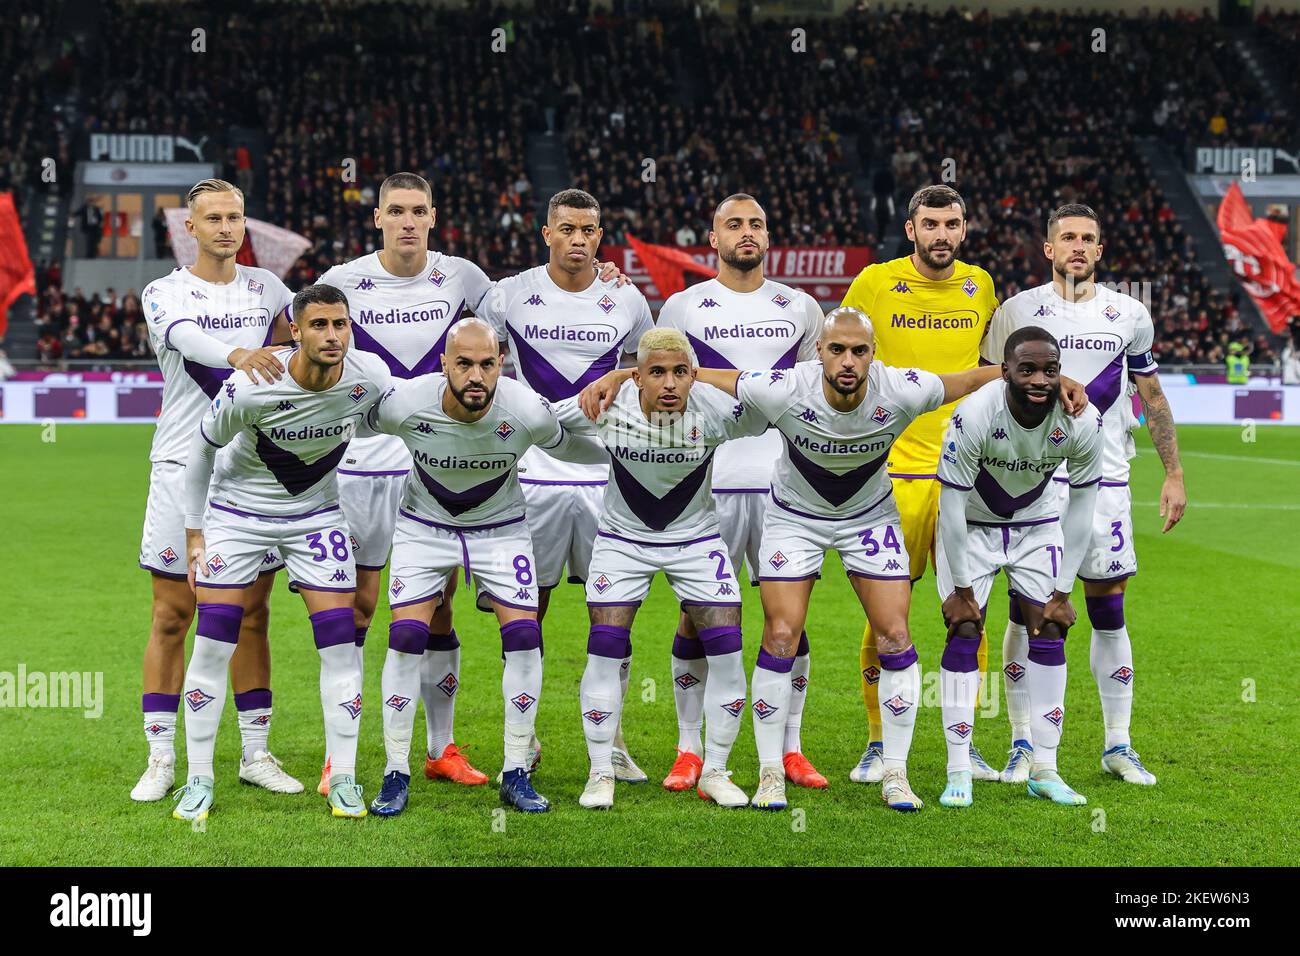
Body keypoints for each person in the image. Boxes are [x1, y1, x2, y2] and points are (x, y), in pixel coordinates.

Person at [582, 308, 1085, 811]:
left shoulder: (903, 389)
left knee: (896, 635)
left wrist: (1052, 378)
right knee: (781, 633)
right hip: (794, 518)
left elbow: (968, 379)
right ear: (819, 352)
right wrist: (625, 374)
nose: (848, 361)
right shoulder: (784, 387)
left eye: (859, 351)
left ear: (873, 355)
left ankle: (895, 772)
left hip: (869, 517)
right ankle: (770, 773)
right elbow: (702, 374)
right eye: (837, 349)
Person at [318, 175, 628, 794]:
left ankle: (442, 747)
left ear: (433, 217)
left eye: (418, 212)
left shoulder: (466, 279)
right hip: (361, 463)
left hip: (445, 464)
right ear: (376, 216)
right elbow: (309, 343)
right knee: (355, 612)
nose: (407, 222)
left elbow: (517, 316)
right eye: (396, 211)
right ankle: (340, 755)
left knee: (438, 612)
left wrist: (603, 274)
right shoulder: (342, 281)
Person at [365, 318, 605, 815]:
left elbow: (575, 448)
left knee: (523, 636)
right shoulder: (406, 403)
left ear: (502, 365)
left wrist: (630, 452)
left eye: (488, 364)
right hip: (423, 527)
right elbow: (347, 419)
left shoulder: (524, 410)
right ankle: (395, 772)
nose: (477, 376)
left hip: (501, 529)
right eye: (465, 364)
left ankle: (516, 770)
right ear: (444, 365)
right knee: (406, 634)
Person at [982, 203, 1186, 785]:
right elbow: (988, 388)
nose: (1077, 246)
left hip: (1108, 481)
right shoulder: (1016, 311)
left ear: (1100, 251)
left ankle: (1117, 744)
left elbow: (1151, 395)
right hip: (1030, 479)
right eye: (1067, 237)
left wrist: (1173, 473)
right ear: (1048, 249)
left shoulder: (1129, 314)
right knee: (1029, 611)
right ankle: (1023, 743)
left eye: (1088, 239)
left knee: (1108, 609)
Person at [173, 283, 392, 821]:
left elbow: (416, 412)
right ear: (295, 331)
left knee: (341, 644)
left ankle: (342, 778)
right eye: (318, 325)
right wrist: (195, 532)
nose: (332, 335)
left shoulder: (370, 380)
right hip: (238, 517)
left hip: (316, 518)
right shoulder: (251, 384)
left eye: (340, 324)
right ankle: (199, 779)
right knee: (214, 640)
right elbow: (201, 450)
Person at [477, 187, 654, 784]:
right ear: (546, 233)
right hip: (533, 477)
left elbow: (645, 374)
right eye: (568, 228)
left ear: (600, 236)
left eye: (590, 230)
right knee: (527, 614)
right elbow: (476, 365)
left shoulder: (626, 299)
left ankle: (615, 740)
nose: (579, 239)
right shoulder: (507, 295)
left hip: (610, 477)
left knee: (615, 614)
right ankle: (521, 745)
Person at [132, 178, 298, 803]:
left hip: (252, 472)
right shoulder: (164, 291)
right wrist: (241, 354)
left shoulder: (270, 289)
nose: (227, 228)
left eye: (236, 217)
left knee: (251, 616)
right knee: (173, 615)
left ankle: (255, 752)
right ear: (190, 229)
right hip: (180, 467)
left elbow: (324, 318)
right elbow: (187, 341)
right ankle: (161, 756)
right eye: (214, 219)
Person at [655, 193, 826, 792]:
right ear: (713, 237)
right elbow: (661, 391)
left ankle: (791, 748)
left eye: (756, 223)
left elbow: (817, 392)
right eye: (734, 224)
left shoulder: (800, 308)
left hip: (785, 486)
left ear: (768, 236)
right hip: (709, 484)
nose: (746, 233)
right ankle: (689, 748)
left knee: (790, 619)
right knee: (699, 616)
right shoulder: (682, 306)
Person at [838, 184, 1004, 786]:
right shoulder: (877, 283)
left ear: (964, 229)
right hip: (894, 473)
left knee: (970, 608)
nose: (941, 234)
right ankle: (879, 744)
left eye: (951, 224)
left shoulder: (979, 285)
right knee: (888, 614)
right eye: (929, 224)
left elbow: (994, 362)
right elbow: (839, 354)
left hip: (965, 471)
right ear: (911, 229)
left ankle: (968, 745)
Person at [568, 327, 769, 810]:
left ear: (694, 376)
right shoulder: (606, 405)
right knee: (606, 647)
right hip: (621, 542)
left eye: (681, 372)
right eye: (656, 372)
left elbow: (769, 399)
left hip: (698, 541)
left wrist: (633, 372)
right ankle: (600, 772)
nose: (670, 383)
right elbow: (537, 420)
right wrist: (613, 377)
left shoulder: (717, 411)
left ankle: (716, 770)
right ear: (638, 378)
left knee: (726, 649)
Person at [935, 326, 1101, 808]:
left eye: (1050, 370)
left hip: (1037, 526)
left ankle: (1045, 768)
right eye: (1026, 369)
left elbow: (1083, 507)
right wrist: (962, 587)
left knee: (1048, 630)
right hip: (971, 526)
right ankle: (958, 768)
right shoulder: (975, 414)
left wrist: (1064, 592)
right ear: (1005, 369)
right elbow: (950, 504)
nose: (1039, 379)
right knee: (965, 627)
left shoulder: (1080, 421)